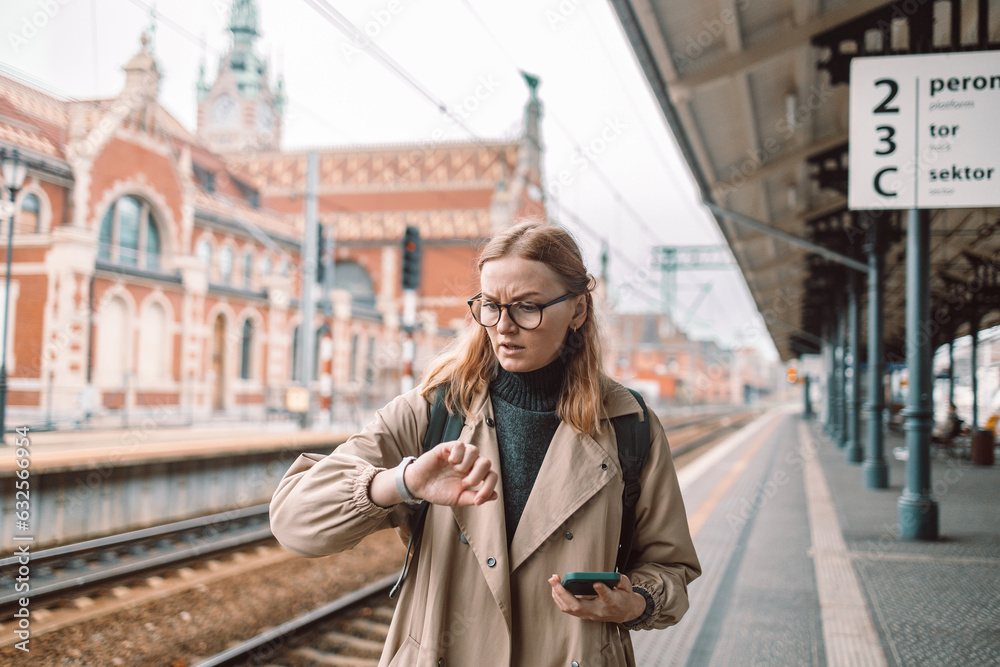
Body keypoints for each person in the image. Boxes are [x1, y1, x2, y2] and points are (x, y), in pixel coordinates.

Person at [270, 220, 701, 666]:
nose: (503, 326)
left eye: (527, 307)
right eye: (491, 305)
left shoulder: (629, 425)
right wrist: (402, 482)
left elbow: (672, 568)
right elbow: (294, 521)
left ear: (577, 310)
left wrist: (634, 603)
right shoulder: (435, 410)